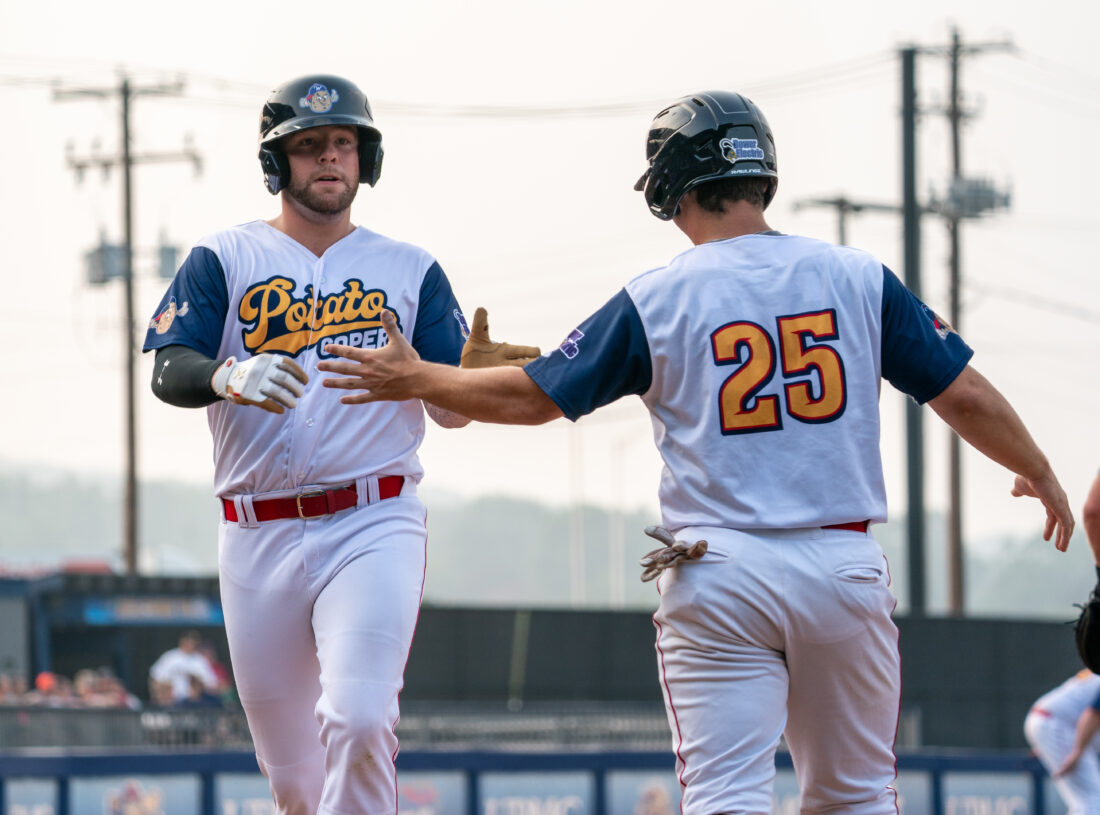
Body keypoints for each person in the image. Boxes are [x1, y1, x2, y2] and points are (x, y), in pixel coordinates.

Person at [317, 90, 1075, 814]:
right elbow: (964, 393)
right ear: (761, 171)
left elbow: (534, 397)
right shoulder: (856, 275)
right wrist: (1037, 468)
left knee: (724, 795)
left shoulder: (661, 294)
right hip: (842, 563)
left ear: (675, 185)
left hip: (722, 570)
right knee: (857, 795)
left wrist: (421, 376)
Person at [143, 74, 535, 815]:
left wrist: (454, 378)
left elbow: (454, 416)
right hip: (255, 532)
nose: (329, 158)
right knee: (295, 780)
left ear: (365, 159)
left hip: (371, 518)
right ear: (278, 163)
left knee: (357, 719)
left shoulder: (408, 268)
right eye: (310, 145)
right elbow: (168, 367)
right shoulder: (224, 257)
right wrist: (228, 373)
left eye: (343, 143)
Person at [1025, 669, 1100, 815]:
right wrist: (1077, 751)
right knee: (1092, 799)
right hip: (1056, 724)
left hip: (1050, 721)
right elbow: (1092, 715)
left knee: (1088, 800)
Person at [148, 630, 220, 705]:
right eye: (187, 641)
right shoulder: (170, 657)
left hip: (192, 703)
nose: (190, 644)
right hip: (171, 702)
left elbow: (212, 684)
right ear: (181, 641)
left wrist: (197, 683)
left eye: (192, 642)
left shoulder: (200, 660)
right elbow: (154, 679)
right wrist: (158, 695)